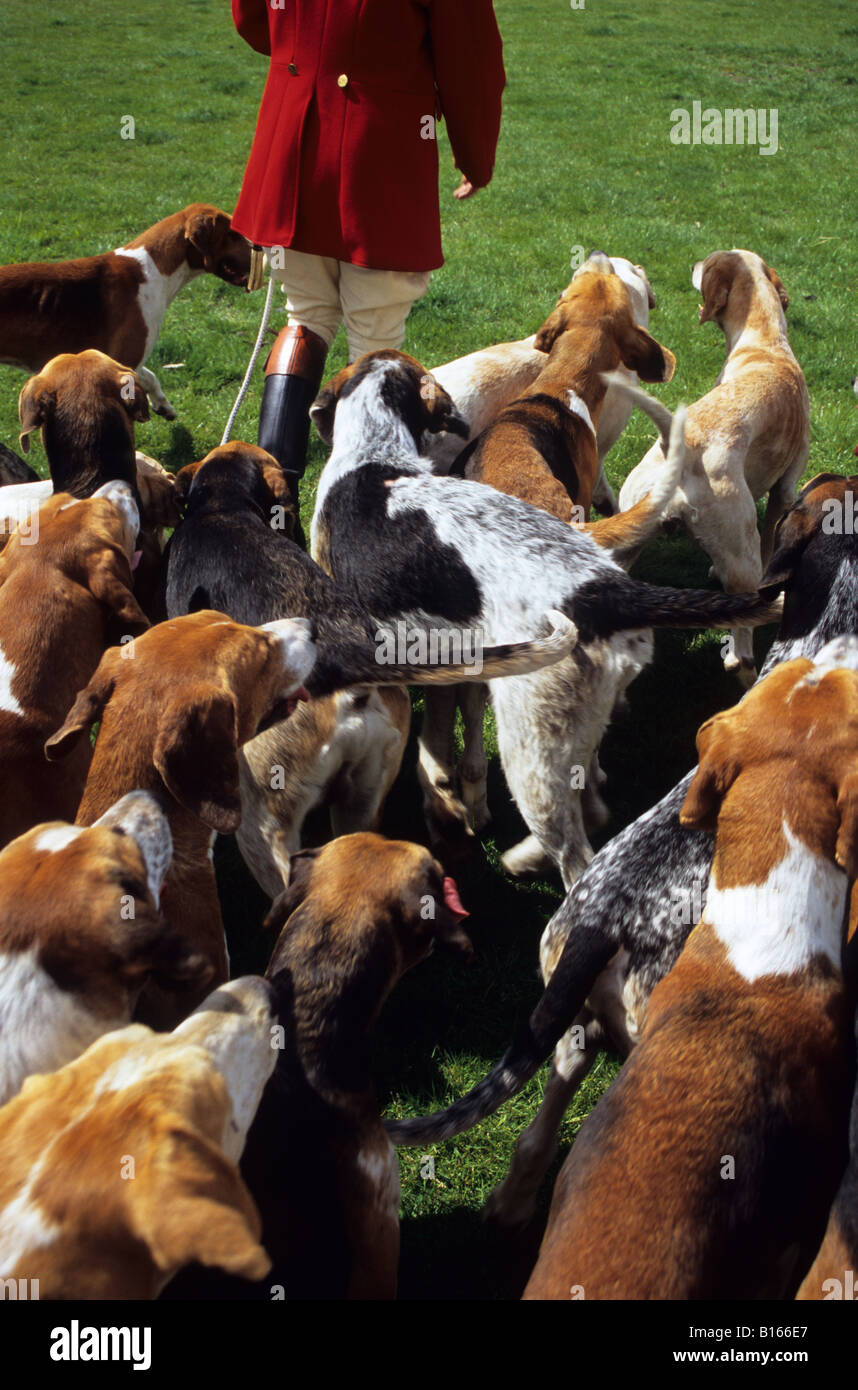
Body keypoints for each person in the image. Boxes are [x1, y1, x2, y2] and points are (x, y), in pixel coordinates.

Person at [230, 0, 505, 541]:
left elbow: (252, 20)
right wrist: (476, 154)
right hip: (381, 156)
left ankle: (272, 515)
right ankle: (370, 531)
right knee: (377, 349)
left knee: (304, 320)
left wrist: (306, 55)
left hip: (292, 147)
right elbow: (472, 61)